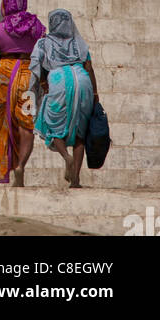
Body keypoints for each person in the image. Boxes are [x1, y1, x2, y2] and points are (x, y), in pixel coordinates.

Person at [0, 0, 46, 186]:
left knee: (2, 120)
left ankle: (3, 168)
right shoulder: (37, 26)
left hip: (4, 75)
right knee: (27, 124)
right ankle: (20, 165)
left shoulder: (0, 28)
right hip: (29, 75)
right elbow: (45, 49)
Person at [30, 10, 98, 189]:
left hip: (59, 80)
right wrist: (96, 95)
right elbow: (89, 67)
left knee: (51, 124)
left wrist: (34, 89)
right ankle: (75, 180)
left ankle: (66, 157)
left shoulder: (44, 42)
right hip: (82, 80)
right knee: (80, 133)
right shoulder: (79, 43)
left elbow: (36, 67)